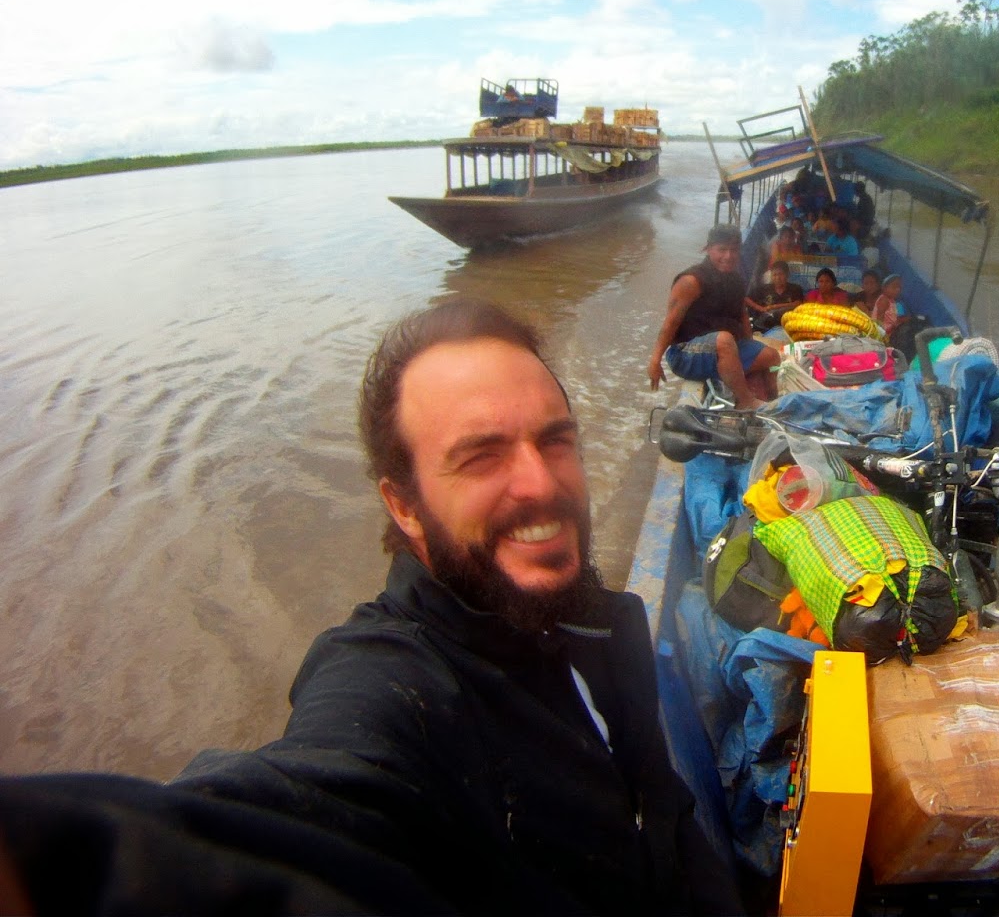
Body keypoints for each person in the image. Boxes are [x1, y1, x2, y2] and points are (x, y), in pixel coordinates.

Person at [0, 300, 743, 916]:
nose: (540, 484)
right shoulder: (397, 689)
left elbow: (664, 808)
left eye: (556, 440)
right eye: (481, 456)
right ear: (404, 505)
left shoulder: (589, 619)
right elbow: (285, 820)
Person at [649, 225, 781, 408]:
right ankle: (746, 401)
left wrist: (751, 345)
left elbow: (742, 315)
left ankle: (773, 402)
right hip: (686, 352)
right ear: (708, 249)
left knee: (771, 356)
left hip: (723, 349)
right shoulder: (691, 281)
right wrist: (655, 360)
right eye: (722, 250)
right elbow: (670, 323)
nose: (728, 256)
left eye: (733, 250)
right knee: (725, 339)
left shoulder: (735, 279)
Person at [747, 260, 804, 332]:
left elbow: (797, 304)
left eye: (780, 274)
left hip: (788, 327)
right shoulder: (763, 289)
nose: (777, 278)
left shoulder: (795, 288)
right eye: (774, 275)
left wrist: (773, 307)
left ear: (787, 274)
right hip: (765, 327)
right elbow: (746, 299)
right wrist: (759, 308)